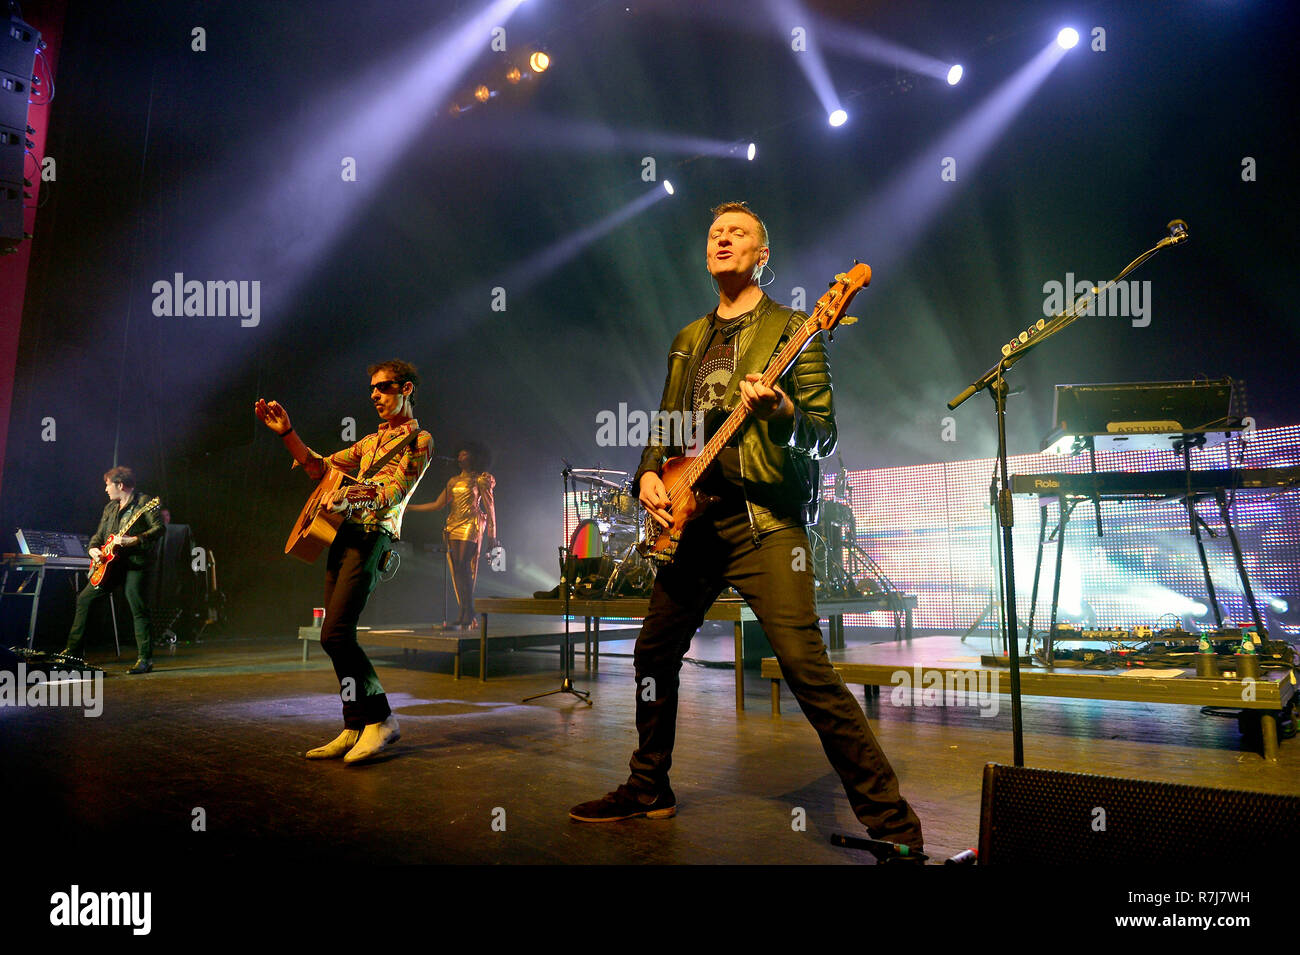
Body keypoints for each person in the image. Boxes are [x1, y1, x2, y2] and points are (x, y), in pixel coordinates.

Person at [568, 201, 924, 859]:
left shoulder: (796, 328)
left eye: (738, 233)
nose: (722, 238)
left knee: (804, 666)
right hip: (690, 522)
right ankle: (649, 787)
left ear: (763, 255)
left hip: (763, 523)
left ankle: (895, 824)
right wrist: (648, 473)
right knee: (653, 654)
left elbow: (822, 434)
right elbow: (668, 422)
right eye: (714, 233)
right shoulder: (688, 338)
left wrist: (783, 409)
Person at [255, 360, 432, 764]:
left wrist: (350, 497)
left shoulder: (420, 440)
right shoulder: (368, 442)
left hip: (371, 537)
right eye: (371, 388)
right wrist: (288, 434)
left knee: (336, 634)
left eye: (383, 387)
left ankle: (383, 719)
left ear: (405, 389)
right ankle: (355, 725)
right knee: (330, 636)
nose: (374, 395)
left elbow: (394, 492)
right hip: (342, 534)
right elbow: (321, 468)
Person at [62, 466, 164, 674]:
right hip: (110, 564)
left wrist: (134, 540)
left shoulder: (145, 503)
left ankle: (145, 659)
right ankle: (73, 653)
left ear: (120, 484)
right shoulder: (110, 508)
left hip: (136, 563)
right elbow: (99, 536)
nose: (106, 489)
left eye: (108, 485)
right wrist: (93, 550)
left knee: (137, 606)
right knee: (84, 599)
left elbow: (159, 529)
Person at [408, 441, 497, 630]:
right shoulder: (453, 481)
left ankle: (469, 611)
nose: (461, 457)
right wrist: (409, 508)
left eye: (465, 454)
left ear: (474, 457)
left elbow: (490, 509)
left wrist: (492, 535)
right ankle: (464, 611)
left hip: (470, 524)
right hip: (453, 524)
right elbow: (437, 504)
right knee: (457, 568)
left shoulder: (480, 479)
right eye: (460, 454)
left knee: (465, 565)